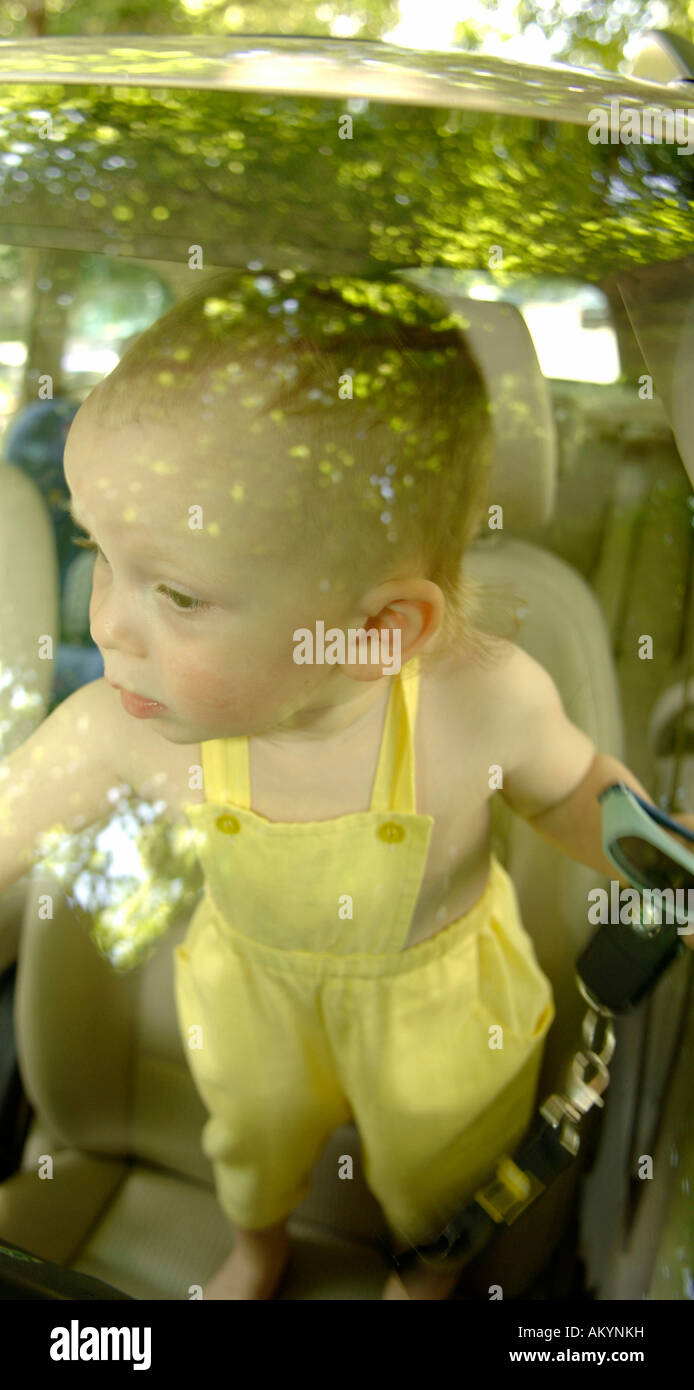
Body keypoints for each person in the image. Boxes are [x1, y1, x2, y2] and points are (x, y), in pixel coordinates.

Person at [2, 268, 693, 1301]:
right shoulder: (118, 730)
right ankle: (258, 1243)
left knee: (444, 1167)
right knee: (251, 1136)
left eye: (177, 592)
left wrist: (667, 862)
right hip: (253, 995)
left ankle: (424, 1279)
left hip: (439, 1006)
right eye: (100, 552)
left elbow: (567, 790)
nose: (103, 621)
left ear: (378, 633)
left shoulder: (485, 700)